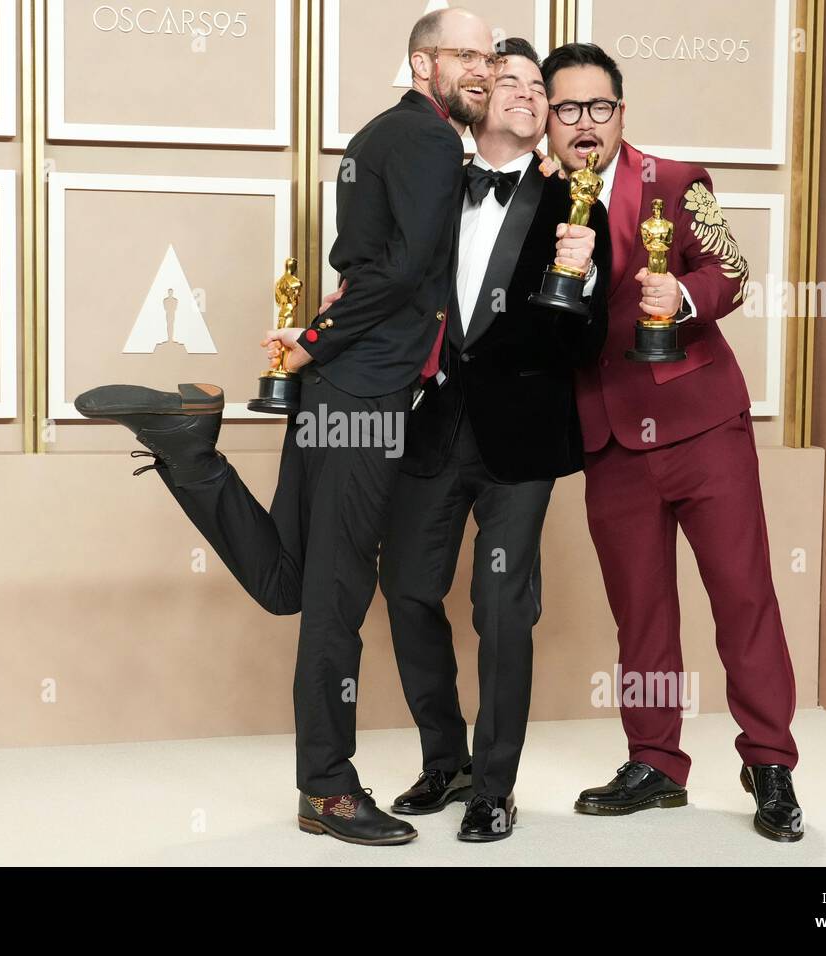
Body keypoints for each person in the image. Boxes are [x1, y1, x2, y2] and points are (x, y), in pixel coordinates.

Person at [73, 8, 498, 847]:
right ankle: (328, 789)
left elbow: (379, 268)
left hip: (341, 391)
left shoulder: (382, 136)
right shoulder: (425, 141)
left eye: (491, 55)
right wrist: (314, 339)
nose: (482, 68)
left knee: (291, 584)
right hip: (364, 396)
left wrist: (324, 345)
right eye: (467, 55)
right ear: (423, 63)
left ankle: (191, 452)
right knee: (335, 597)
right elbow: (407, 270)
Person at [329, 40, 607, 842]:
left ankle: (494, 785)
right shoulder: (432, 182)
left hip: (521, 441)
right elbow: (386, 279)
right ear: (478, 97)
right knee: (410, 589)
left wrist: (582, 280)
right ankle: (444, 759)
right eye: (508, 79)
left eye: (535, 85)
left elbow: (588, 342)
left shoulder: (573, 200)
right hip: (431, 425)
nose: (522, 91)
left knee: (501, 609)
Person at [539, 43, 804, 842]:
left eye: (599, 107)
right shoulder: (538, 201)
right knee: (641, 613)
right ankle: (655, 762)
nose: (585, 125)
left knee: (743, 595)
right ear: (549, 121)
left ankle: (770, 762)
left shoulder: (678, 181)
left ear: (623, 111)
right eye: (567, 110)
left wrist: (683, 293)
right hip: (609, 436)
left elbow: (733, 270)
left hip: (702, 425)